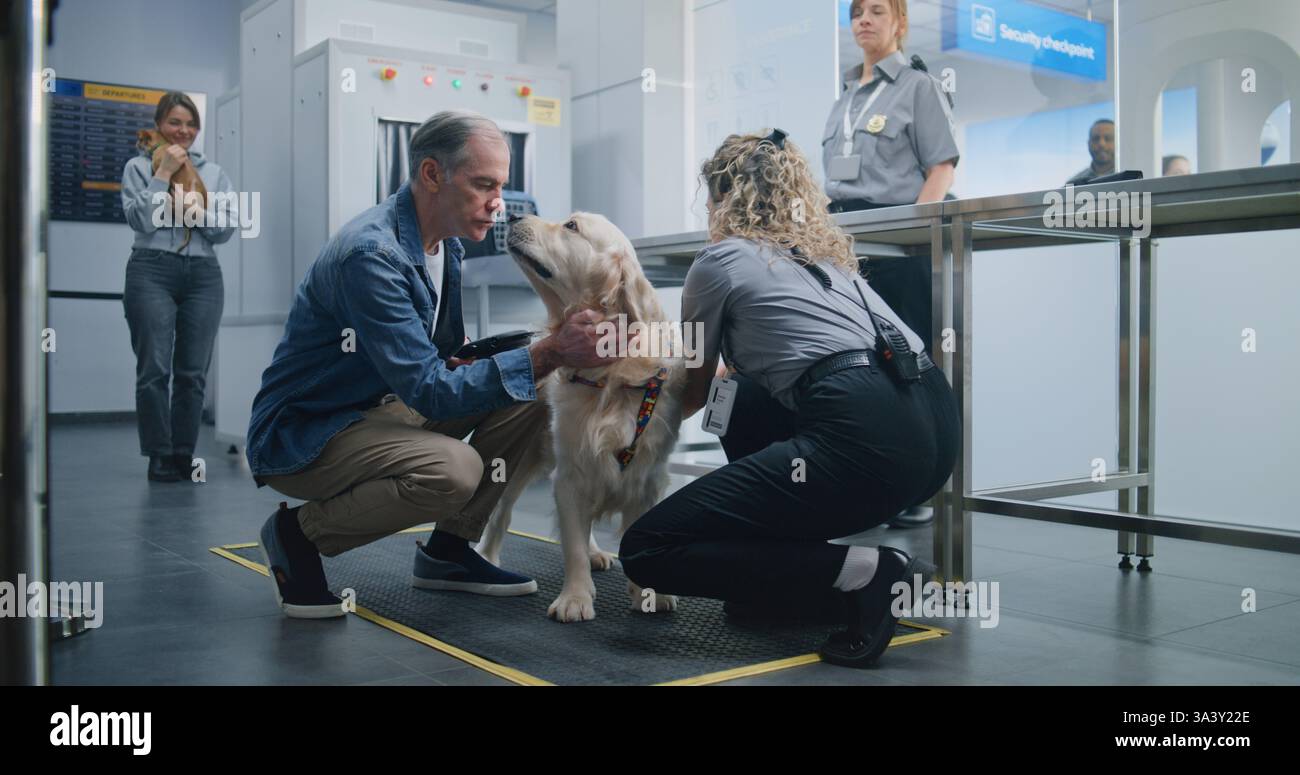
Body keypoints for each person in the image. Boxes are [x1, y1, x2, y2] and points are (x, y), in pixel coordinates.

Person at [246, 110, 616, 618]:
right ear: (431, 175)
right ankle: (297, 536)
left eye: (501, 186)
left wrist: (535, 357)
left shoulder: (445, 246)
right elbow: (431, 391)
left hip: (382, 407)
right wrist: (549, 350)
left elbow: (444, 356)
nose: (498, 204)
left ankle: (448, 552)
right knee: (455, 470)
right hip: (309, 433)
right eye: (483, 184)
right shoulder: (372, 255)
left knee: (533, 389)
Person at [619, 130, 960, 668]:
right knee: (744, 397)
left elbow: (693, 387)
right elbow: (737, 382)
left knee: (647, 547)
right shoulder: (829, 262)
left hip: (861, 429)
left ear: (722, 199)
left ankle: (873, 572)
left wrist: (625, 423)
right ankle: (786, 588)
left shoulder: (718, 261)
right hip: (934, 430)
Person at [821, 0, 959, 528]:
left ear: (899, 21)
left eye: (877, 10)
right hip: (845, 246)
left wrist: (912, 233)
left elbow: (941, 168)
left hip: (897, 244)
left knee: (905, 370)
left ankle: (915, 488)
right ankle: (865, 482)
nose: (864, 19)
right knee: (856, 368)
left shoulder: (918, 87)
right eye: (856, 11)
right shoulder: (845, 96)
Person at [120, 91, 237, 482]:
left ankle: (184, 453)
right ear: (159, 125)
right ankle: (159, 453)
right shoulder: (138, 167)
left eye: (190, 124)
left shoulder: (215, 174)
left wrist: (195, 210)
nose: (183, 130)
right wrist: (164, 174)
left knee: (192, 371)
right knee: (153, 366)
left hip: (204, 273)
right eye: (175, 122)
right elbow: (142, 220)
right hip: (151, 269)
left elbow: (223, 230)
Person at [1065, 119, 1116, 184]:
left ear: (1118, 142)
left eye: (1108, 138)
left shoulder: (1128, 179)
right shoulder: (1073, 184)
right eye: (1096, 138)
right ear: (1088, 144)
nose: (1101, 144)